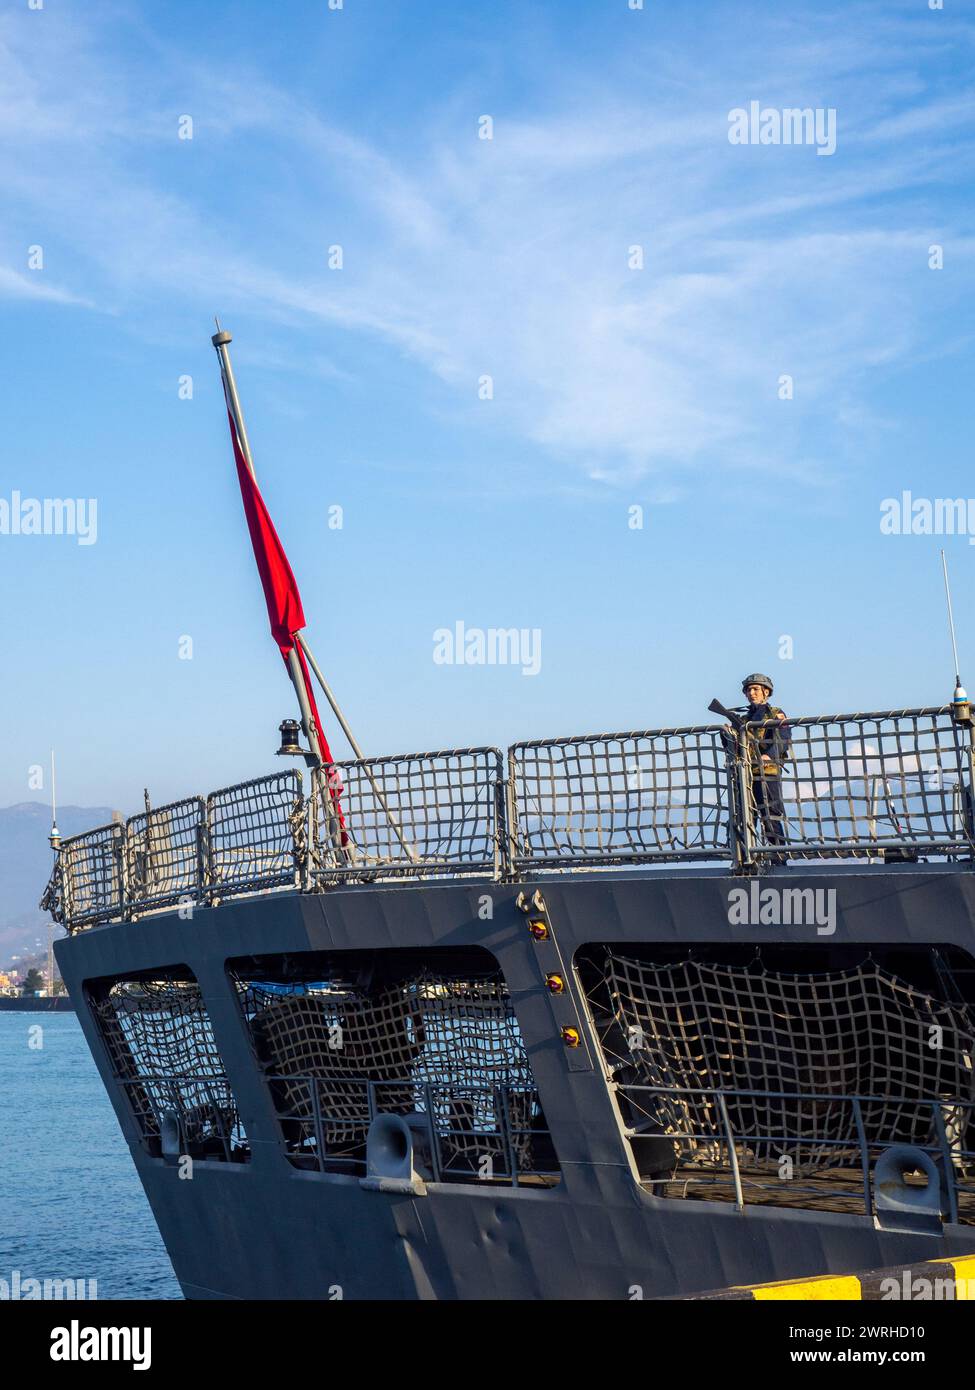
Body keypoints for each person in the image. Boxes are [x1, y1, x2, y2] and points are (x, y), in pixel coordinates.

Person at [725, 673, 791, 856]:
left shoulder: (775, 713)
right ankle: (747, 857)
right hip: (746, 773)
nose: (751, 693)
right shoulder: (744, 719)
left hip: (767, 772)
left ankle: (778, 856)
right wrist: (728, 734)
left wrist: (770, 756)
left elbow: (783, 739)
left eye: (755, 689)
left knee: (770, 815)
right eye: (748, 690)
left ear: (766, 692)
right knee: (744, 817)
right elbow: (735, 746)